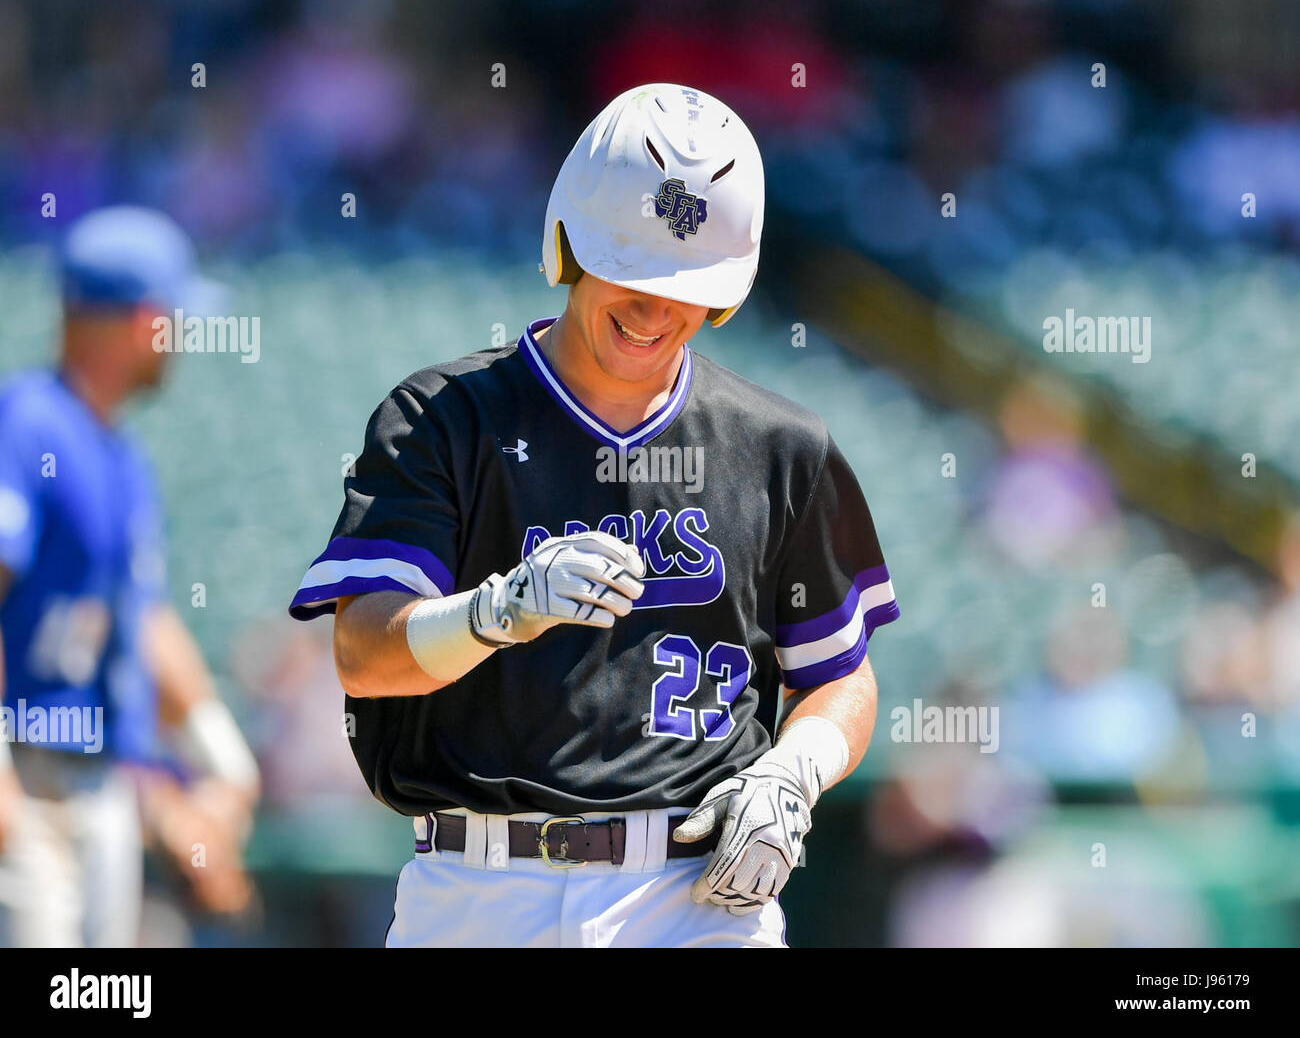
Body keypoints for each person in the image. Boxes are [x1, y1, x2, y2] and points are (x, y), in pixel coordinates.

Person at [289, 83, 899, 947]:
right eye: (634, 271)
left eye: (684, 283)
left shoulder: (782, 448)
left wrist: (795, 771)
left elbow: (840, 674)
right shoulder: (444, 416)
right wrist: (496, 612)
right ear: (568, 239)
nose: (655, 310)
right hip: (479, 887)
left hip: (699, 896)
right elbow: (365, 656)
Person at [0, 206, 260, 947]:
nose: (181, 336)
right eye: (175, 316)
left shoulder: (120, 455)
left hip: (99, 775)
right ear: (145, 320)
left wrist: (220, 757)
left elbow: (142, 618)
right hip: (26, 769)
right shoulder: (28, 422)